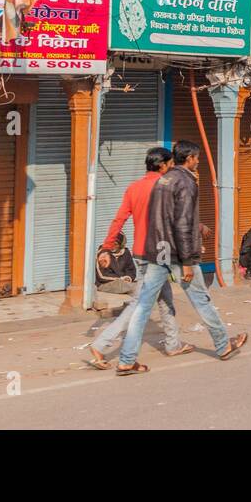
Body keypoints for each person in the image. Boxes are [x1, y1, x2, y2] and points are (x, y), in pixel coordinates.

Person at [115, 140, 247, 375]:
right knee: (201, 300)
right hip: (177, 253)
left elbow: (156, 220)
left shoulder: (162, 180)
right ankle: (223, 345)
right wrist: (187, 261)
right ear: (189, 159)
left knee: (143, 306)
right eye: (196, 158)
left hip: (158, 250)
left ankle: (126, 360)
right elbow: (183, 224)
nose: (198, 162)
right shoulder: (185, 182)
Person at [87, 148, 188, 370]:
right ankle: (102, 344)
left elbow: (119, 219)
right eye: (171, 164)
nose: (173, 168)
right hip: (159, 253)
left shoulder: (134, 188)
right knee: (140, 304)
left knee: (165, 299)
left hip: (141, 252)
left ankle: (173, 344)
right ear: (162, 166)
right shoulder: (165, 188)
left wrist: (106, 247)